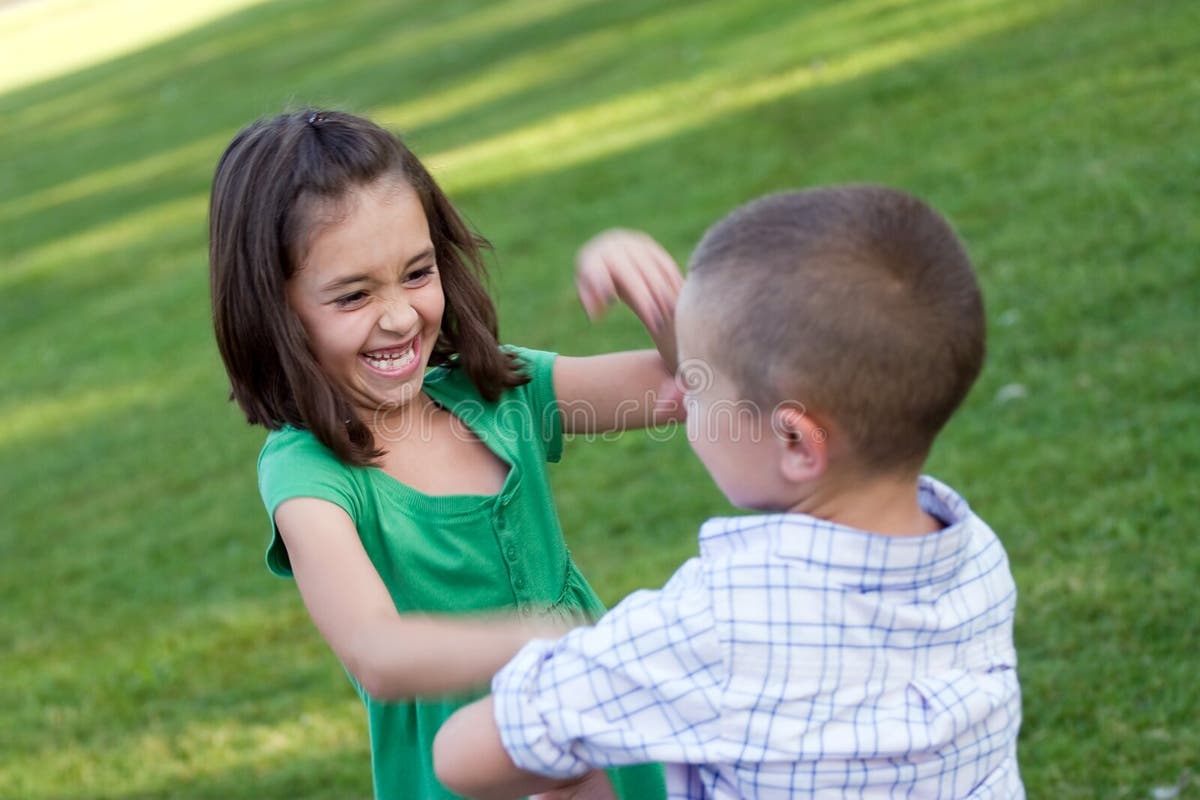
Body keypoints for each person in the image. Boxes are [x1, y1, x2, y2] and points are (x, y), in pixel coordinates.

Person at [433, 185, 1025, 799]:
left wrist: (558, 651)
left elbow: (464, 756)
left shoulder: (721, 622)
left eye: (695, 380)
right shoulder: (975, 554)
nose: (677, 399)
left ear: (796, 443)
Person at [208, 109, 677, 799]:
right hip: (464, 775)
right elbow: (378, 653)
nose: (399, 316)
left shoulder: (498, 392)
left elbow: (688, 386)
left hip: (596, 742)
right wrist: (545, 639)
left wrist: (661, 297)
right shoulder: (309, 474)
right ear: (275, 311)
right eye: (354, 295)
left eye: (416, 273)